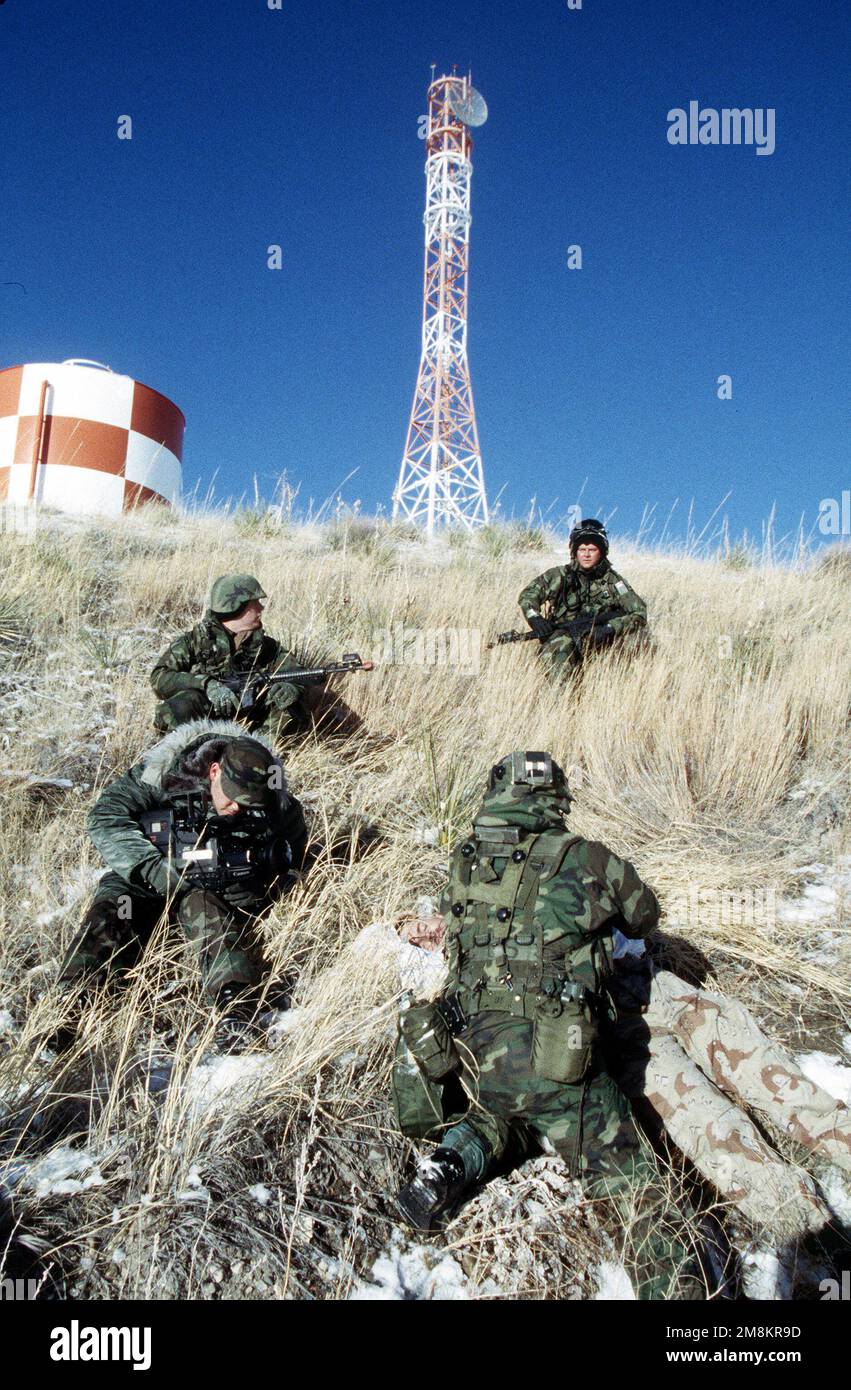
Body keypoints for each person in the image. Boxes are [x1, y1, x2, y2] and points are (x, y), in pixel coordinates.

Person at [392, 750, 702, 1300]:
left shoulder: (464, 860)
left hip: (475, 1052)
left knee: (505, 1115)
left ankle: (451, 1159)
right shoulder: (583, 857)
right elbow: (646, 914)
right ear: (554, 799)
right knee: (629, 1186)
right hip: (556, 1059)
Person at [58, 722, 308, 1043]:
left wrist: (257, 886)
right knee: (114, 912)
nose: (237, 810)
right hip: (146, 874)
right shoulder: (163, 773)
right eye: (232, 799)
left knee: (207, 912)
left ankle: (234, 1007)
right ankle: (71, 1006)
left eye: (249, 805)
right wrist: (153, 868)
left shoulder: (274, 799)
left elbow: (293, 854)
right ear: (214, 771)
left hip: (207, 888)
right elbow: (104, 817)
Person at [150, 574, 308, 741]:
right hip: (204, 722)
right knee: (184, 703)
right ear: (237, 607)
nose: (261, 609)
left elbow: (294, 670)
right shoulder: (194, 642)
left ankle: (262, 754)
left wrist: (292, 687)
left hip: (254, 724)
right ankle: (180, 754)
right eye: (256, 603)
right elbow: (159, 677)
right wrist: (205, 684)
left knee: (288, 702)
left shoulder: (265, 646)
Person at [517, 518, 647, 677]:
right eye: (582, 549)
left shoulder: (614, 582)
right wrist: (535, 619)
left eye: (592, 549)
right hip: (561, 637)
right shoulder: (558, 575)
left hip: (599, 642)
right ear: (574, 551)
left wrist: (610, 628)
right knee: (561, 645)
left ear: (602, 551)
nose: (586, 554)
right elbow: (528, 596)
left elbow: (639, 613)